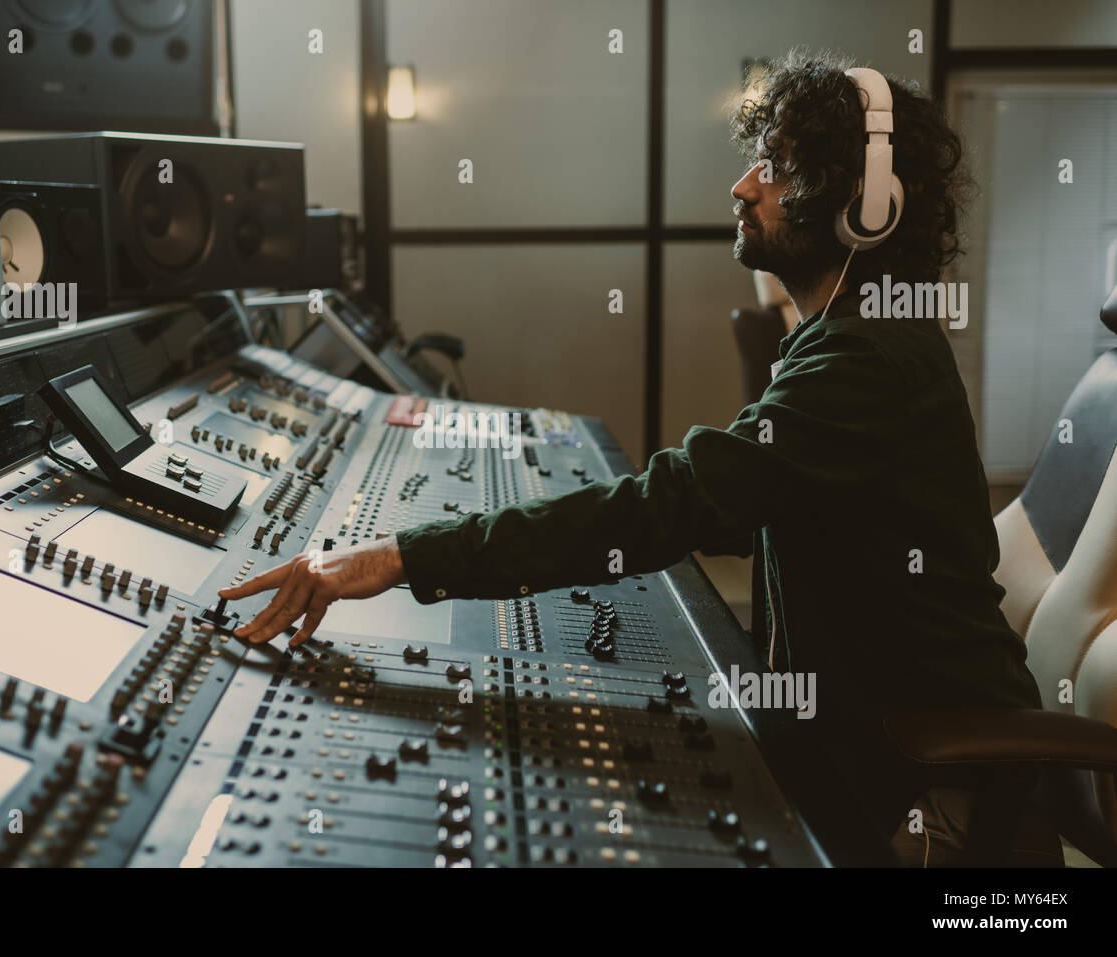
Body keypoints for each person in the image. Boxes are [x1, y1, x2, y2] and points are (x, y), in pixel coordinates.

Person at [217, 49, 1043, 866]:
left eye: (775, 167)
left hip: (933, 790)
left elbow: (671, 504)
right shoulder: (848, 338)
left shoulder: (869, 359)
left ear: (862, 206)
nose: (742, 186)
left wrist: (401, 556)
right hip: (863, 737)